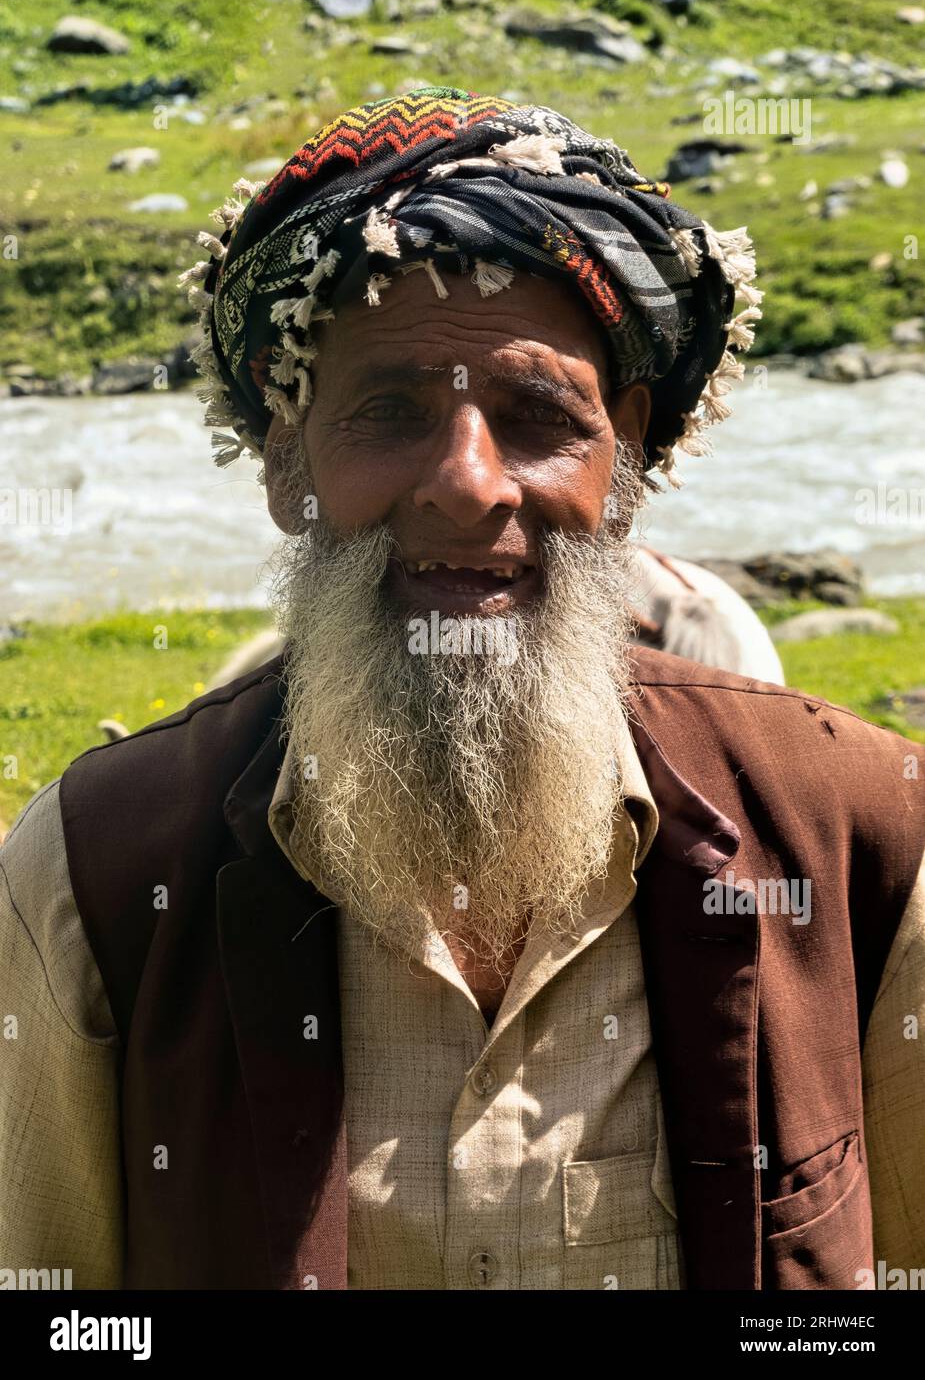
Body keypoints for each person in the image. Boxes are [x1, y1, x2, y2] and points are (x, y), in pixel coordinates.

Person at [1, 87, 923, 1292]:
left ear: (625, 466)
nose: (466, 484)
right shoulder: (94, 872)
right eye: (390, 411)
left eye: (536, 415)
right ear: (289, 463)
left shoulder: (864, 838)